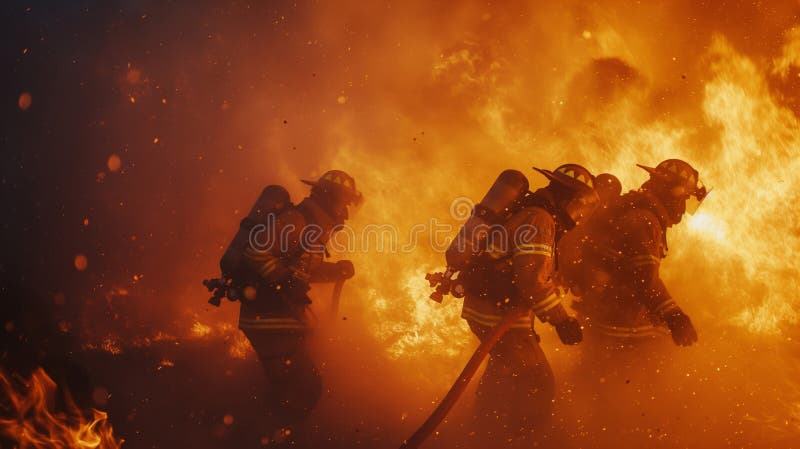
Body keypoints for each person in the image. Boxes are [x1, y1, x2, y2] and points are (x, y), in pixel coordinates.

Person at [448, 164, 600, 442]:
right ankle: (523, 441)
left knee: (501, 372)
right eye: (581, 205)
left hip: (484, 310)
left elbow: (523, 266)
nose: (579, 215)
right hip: (499, 316)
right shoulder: (540, 219)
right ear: (570, 198)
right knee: (538, 382)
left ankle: (481, 433)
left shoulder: (529, 210)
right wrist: (561, 320)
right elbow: (532, 281)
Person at [231, 170, 360, 442]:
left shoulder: (314, 228)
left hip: (281, 317)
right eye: (343, 202)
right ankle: (263, 439)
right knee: (305, 386)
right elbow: (257, 252)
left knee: (291, 386)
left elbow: (301, 272)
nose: (345, 210)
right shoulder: (297, 220)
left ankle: (257, 434)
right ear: (329, 199)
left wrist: (335, 271)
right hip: (268, 317)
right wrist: (283, 280)